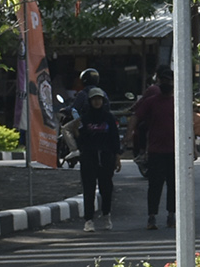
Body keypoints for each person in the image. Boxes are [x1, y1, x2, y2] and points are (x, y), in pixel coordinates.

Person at [128, 66, 178, 231]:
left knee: (173, 185)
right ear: (159, 81)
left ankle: (172, 215)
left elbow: (188, 125)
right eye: (164, 80)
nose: (166, 83)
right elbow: (136, 115)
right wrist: (129, 134)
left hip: (174, 151)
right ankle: (152, 217)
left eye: (169, 80)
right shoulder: (151, 101)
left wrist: (192, 147)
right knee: (155, 186)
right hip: (156, 150)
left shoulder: (178, 101)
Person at [76, 87, 122, 231]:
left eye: (99, 99)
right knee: (89, 189)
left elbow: (115, 138)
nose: (97, 102)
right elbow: (79, 138)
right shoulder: (84, 119)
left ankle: (106, 215)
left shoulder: (109, 118)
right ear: (90, 101)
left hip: (106, 157)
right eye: (94, 99)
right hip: (89, 157)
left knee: (106, 188)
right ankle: (89, 220)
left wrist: (117, 157)